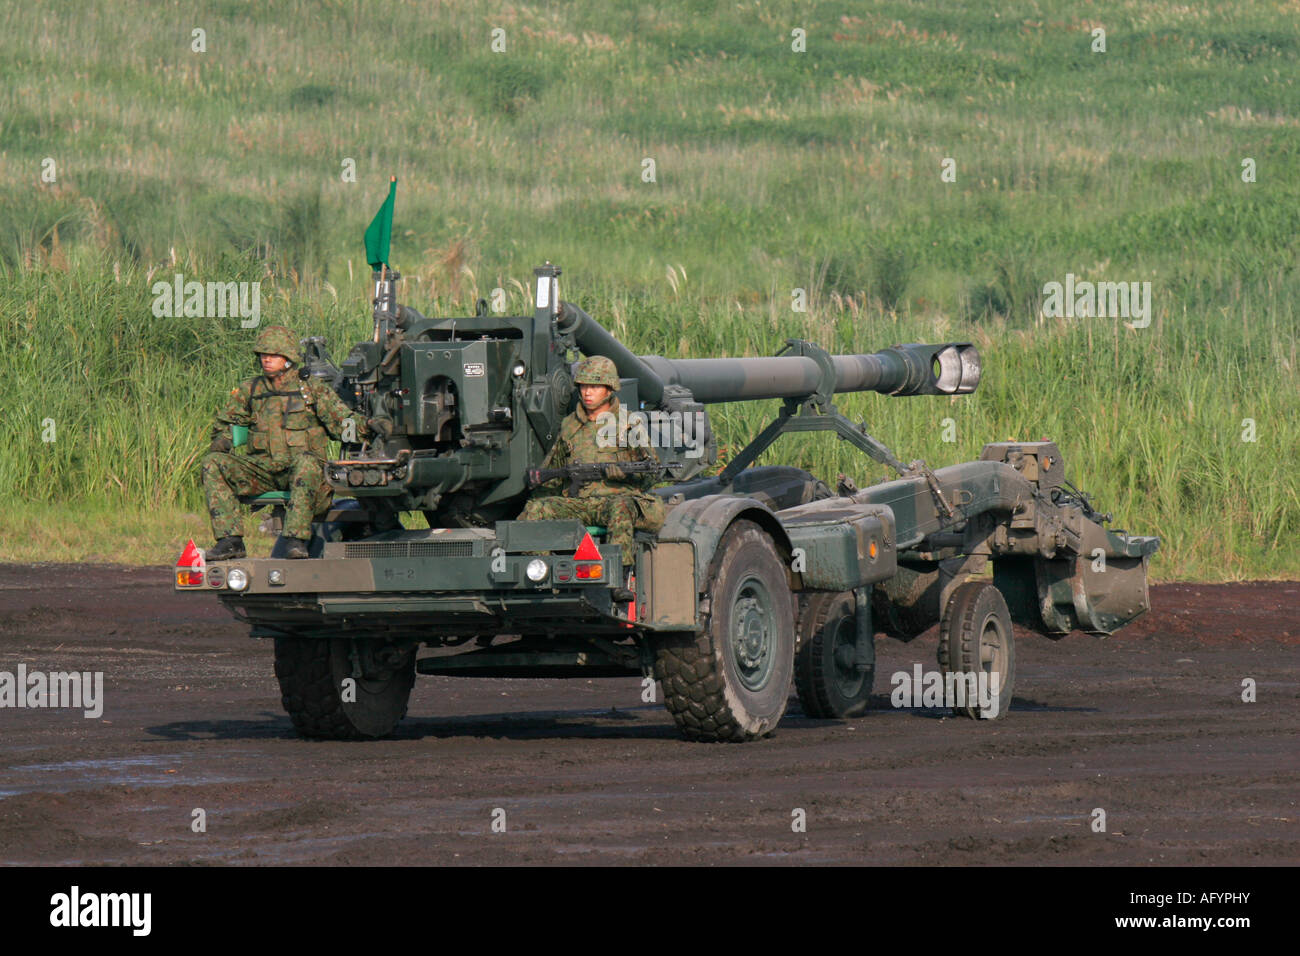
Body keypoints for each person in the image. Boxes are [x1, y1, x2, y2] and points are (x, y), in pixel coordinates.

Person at [203, 325, 378, 560]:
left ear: (288, 358)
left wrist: (372, 427)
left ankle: (296, 540)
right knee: (213, 462)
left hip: (308, 476)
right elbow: (227, 423)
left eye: (273, 354)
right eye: (263, 354)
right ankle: (230, 540)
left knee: (306, 463)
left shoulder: (311, 389)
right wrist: (223, 439)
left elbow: (342, 422)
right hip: (263, 471)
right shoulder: (250, 391)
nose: (267, 359)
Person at [520, 355, 666, 567]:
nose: (587, 393)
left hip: (613, 501)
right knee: (535, 509)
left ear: (609, 389)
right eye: (584, 386)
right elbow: (553, 469)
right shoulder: (570, 425)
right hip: (579, 503)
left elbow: (651, 473)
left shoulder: (628, 423)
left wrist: (626, 474)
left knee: (622, 507)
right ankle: (540, 571)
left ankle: (620, 572)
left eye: (595, 387)